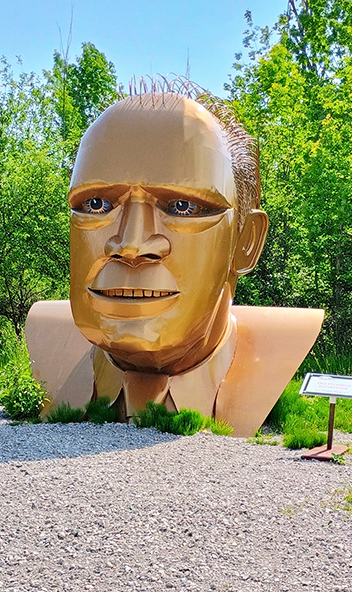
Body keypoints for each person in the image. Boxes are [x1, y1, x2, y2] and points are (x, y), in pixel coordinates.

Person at [25, 81, 323, 437]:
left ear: (246, 241)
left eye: (182, 206)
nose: (131, 245)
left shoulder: (277, 351)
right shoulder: (47, 340)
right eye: (97, 204)